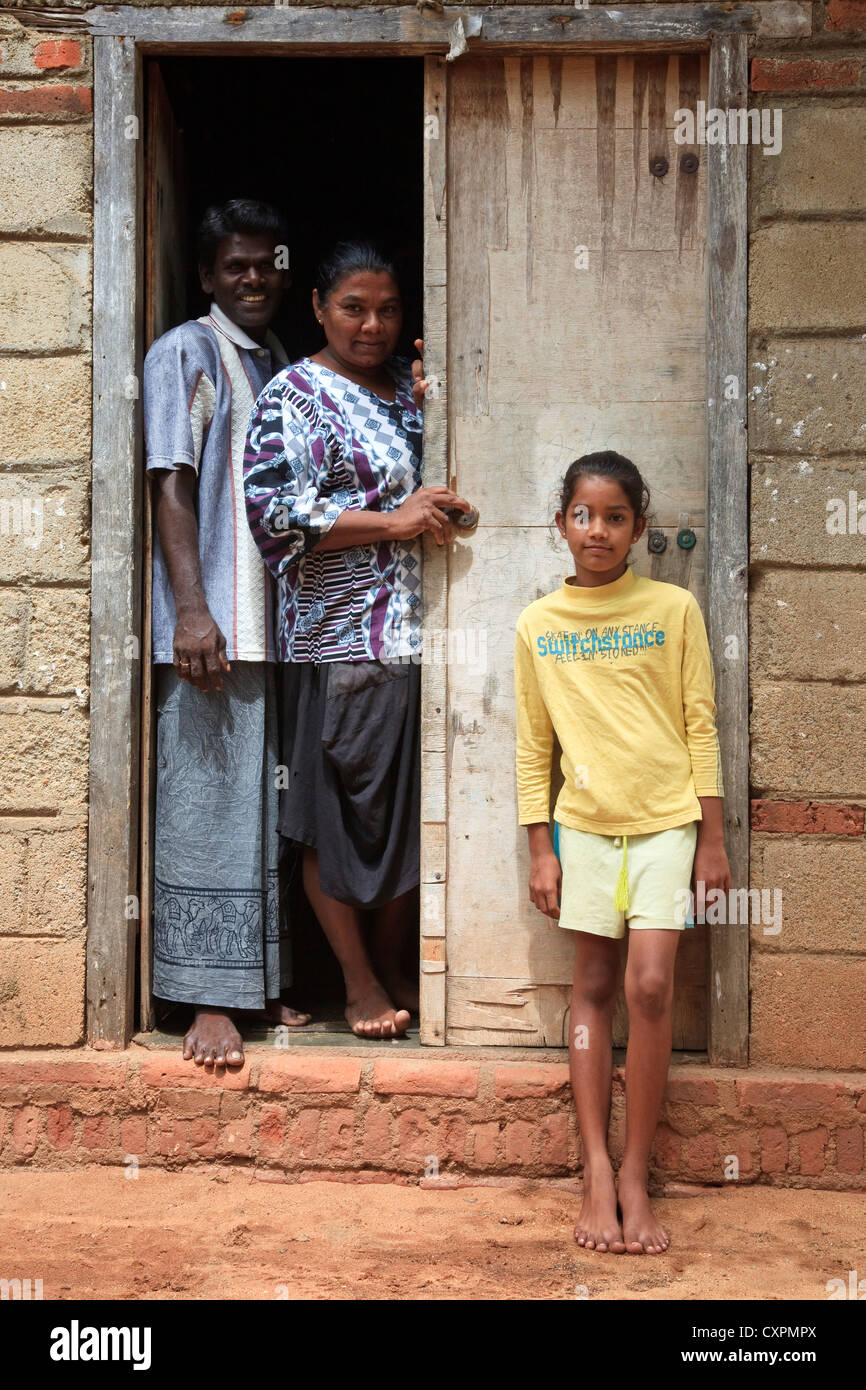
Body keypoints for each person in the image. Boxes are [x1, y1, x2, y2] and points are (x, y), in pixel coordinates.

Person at [244, 241, 471, 1039]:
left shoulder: (408, 401)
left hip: (413, 642)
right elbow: (274, 516)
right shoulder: (294, 395)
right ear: (317, 306)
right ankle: (357, 978)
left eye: (388, 310)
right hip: (335, 644)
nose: (371, 325)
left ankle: (394, 962)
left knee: (407, 817)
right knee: (331, 819)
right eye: (353, 308)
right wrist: (396, 518)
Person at [514, 451, 730, 1254]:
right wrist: (542, 849)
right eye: (582, 515)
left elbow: (700, 725)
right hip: (587, 829)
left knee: (649, 985)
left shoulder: (673, 610)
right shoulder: (539, 625)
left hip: (668, 823)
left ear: (639, 527)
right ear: (560, 523)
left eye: (613, 517)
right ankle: (596, 1170)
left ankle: (637, 1172)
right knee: (593, 986)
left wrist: (712, 837)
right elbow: (533, 747)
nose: (596, 530)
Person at [144, 198, 311, 1068]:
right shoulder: (187, 352)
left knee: (258, 804)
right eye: (234, 266)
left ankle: (252, 979)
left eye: (267, 263)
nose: (253, 278)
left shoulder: (275, 358)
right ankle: (205, 998)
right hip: (210, 626)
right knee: (206, 802)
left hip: (265, 624)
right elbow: (171, 481)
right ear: (208, 276)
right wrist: (192, 608)